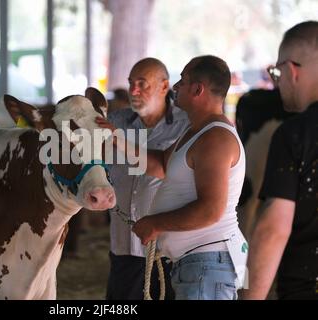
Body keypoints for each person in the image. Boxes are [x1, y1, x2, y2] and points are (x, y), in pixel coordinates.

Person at [99, 55, 247, 300]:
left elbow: (211, 210)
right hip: (197, 264)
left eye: (182, 80)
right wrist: (118, 139)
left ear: (198, 89)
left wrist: (156, 223)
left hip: (207, 264)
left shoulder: (215, 138)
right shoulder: (196, 131)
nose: (176, 87)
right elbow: (161, 164)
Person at [101, 58, 189, 300]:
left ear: (164, 86)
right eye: (131, 84)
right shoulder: (114, 122)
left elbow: (171, 171)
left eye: (142, 84)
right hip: (124, 246)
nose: (133, 91)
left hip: (171, 249)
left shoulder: (187, 125)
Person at [242, 21, 318, 300]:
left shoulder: (296, 133)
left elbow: (273, 229)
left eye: (277, 72)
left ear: (292, 70)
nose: (278, 80)